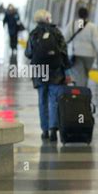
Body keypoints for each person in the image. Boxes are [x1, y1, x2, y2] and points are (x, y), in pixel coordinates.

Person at [25, 9, 72, 142]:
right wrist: (67, 70)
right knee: (53, 100)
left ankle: (44, 130)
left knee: (42, 100)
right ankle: (53, 130)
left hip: (40, 71)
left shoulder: (34, 34)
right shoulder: (56, 32)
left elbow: (28, 53)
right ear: (48, 19)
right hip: (55, 71)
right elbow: (64, 52)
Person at [63, 7, 98, 87]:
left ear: (77, 14)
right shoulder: (92, 27)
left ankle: (80, 92)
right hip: (89, 55)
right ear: (87, 15)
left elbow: (65, 38)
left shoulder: (72, 25)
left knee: (79, 75)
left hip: (75, 54)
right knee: (85, 75)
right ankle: (82, 91)